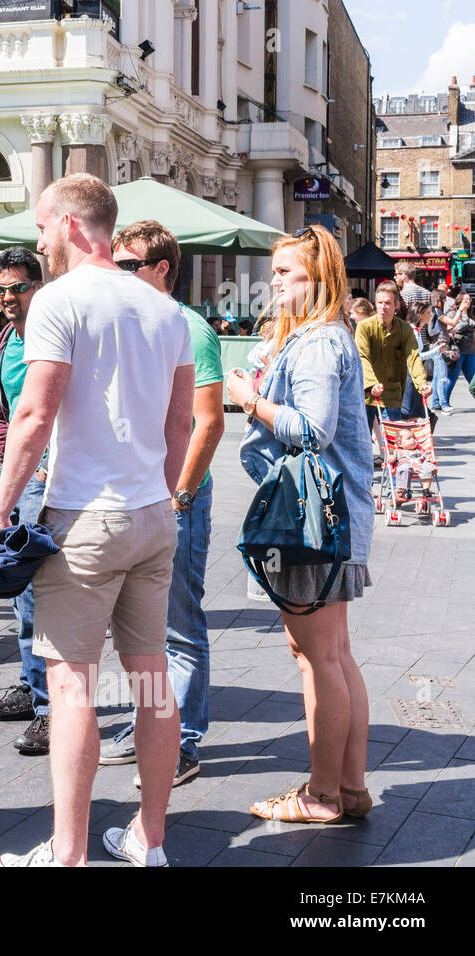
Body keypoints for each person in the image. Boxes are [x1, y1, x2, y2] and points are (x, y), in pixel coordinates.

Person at [0, 173, 194, 868]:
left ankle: (68, 855)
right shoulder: (166, 309)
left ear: (73, 226)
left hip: (84, 518)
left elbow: (34, 416)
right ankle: (149, 839)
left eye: (42, 228)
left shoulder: (59, 301)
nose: (38, 242)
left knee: (71, 684)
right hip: (150, 517)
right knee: (151, 680)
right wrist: (158, 494)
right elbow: (178, 421)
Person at [225, 224, 374, 826]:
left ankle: (321, 794)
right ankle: (350, 787)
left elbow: (312, 429)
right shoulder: (326, 337)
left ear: (318, 279)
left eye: (284, 273)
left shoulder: (316, 342)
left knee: (317, 656)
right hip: (335, 518)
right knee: (333, 653)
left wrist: (249, 399)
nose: (273, 281)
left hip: (312, 521)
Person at [99, 220, 226, 789]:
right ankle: (148, 727)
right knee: (140, 632)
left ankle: (185, 740)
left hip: (176, 497)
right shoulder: (131, 326)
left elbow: (209, 422)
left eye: (130, 266)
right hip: (138, 495)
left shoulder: (188, 327)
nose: (118, 275)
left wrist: (181, 495)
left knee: (178, 625)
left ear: (162, 270)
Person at [0, 246, 53, 757]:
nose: (7, 298)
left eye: (17, 288)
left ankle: (55, 709)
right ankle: (34, 688)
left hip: (57, 480)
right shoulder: (5, 342)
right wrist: (0, 463)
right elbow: (6, 415)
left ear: (39, 287)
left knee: (49, 594)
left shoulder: (56, 336)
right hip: (18, 479)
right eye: (0, 289)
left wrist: (51, 465)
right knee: (20, 590)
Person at [356, 281, 429, 425]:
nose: (383, 307)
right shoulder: (364, 326)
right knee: (362, 442)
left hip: (392, 393)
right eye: (380, 302)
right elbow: (362, 356)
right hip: (366, 392)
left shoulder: (405, 329)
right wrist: (372, 384)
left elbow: (413, 356)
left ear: (396, 305)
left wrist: (422, 384)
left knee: (393, 440)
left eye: (388, 303)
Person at [436, 291, 475, 402]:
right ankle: (444, 402)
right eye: (465, 299)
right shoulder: (453, 313)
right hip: (458, 350)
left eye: (469, 299)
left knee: (473, 379)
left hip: (471, 351)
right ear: (459, 301)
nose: (468, 301)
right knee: (452, 378)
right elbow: (448, 330)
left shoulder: (471, 314)